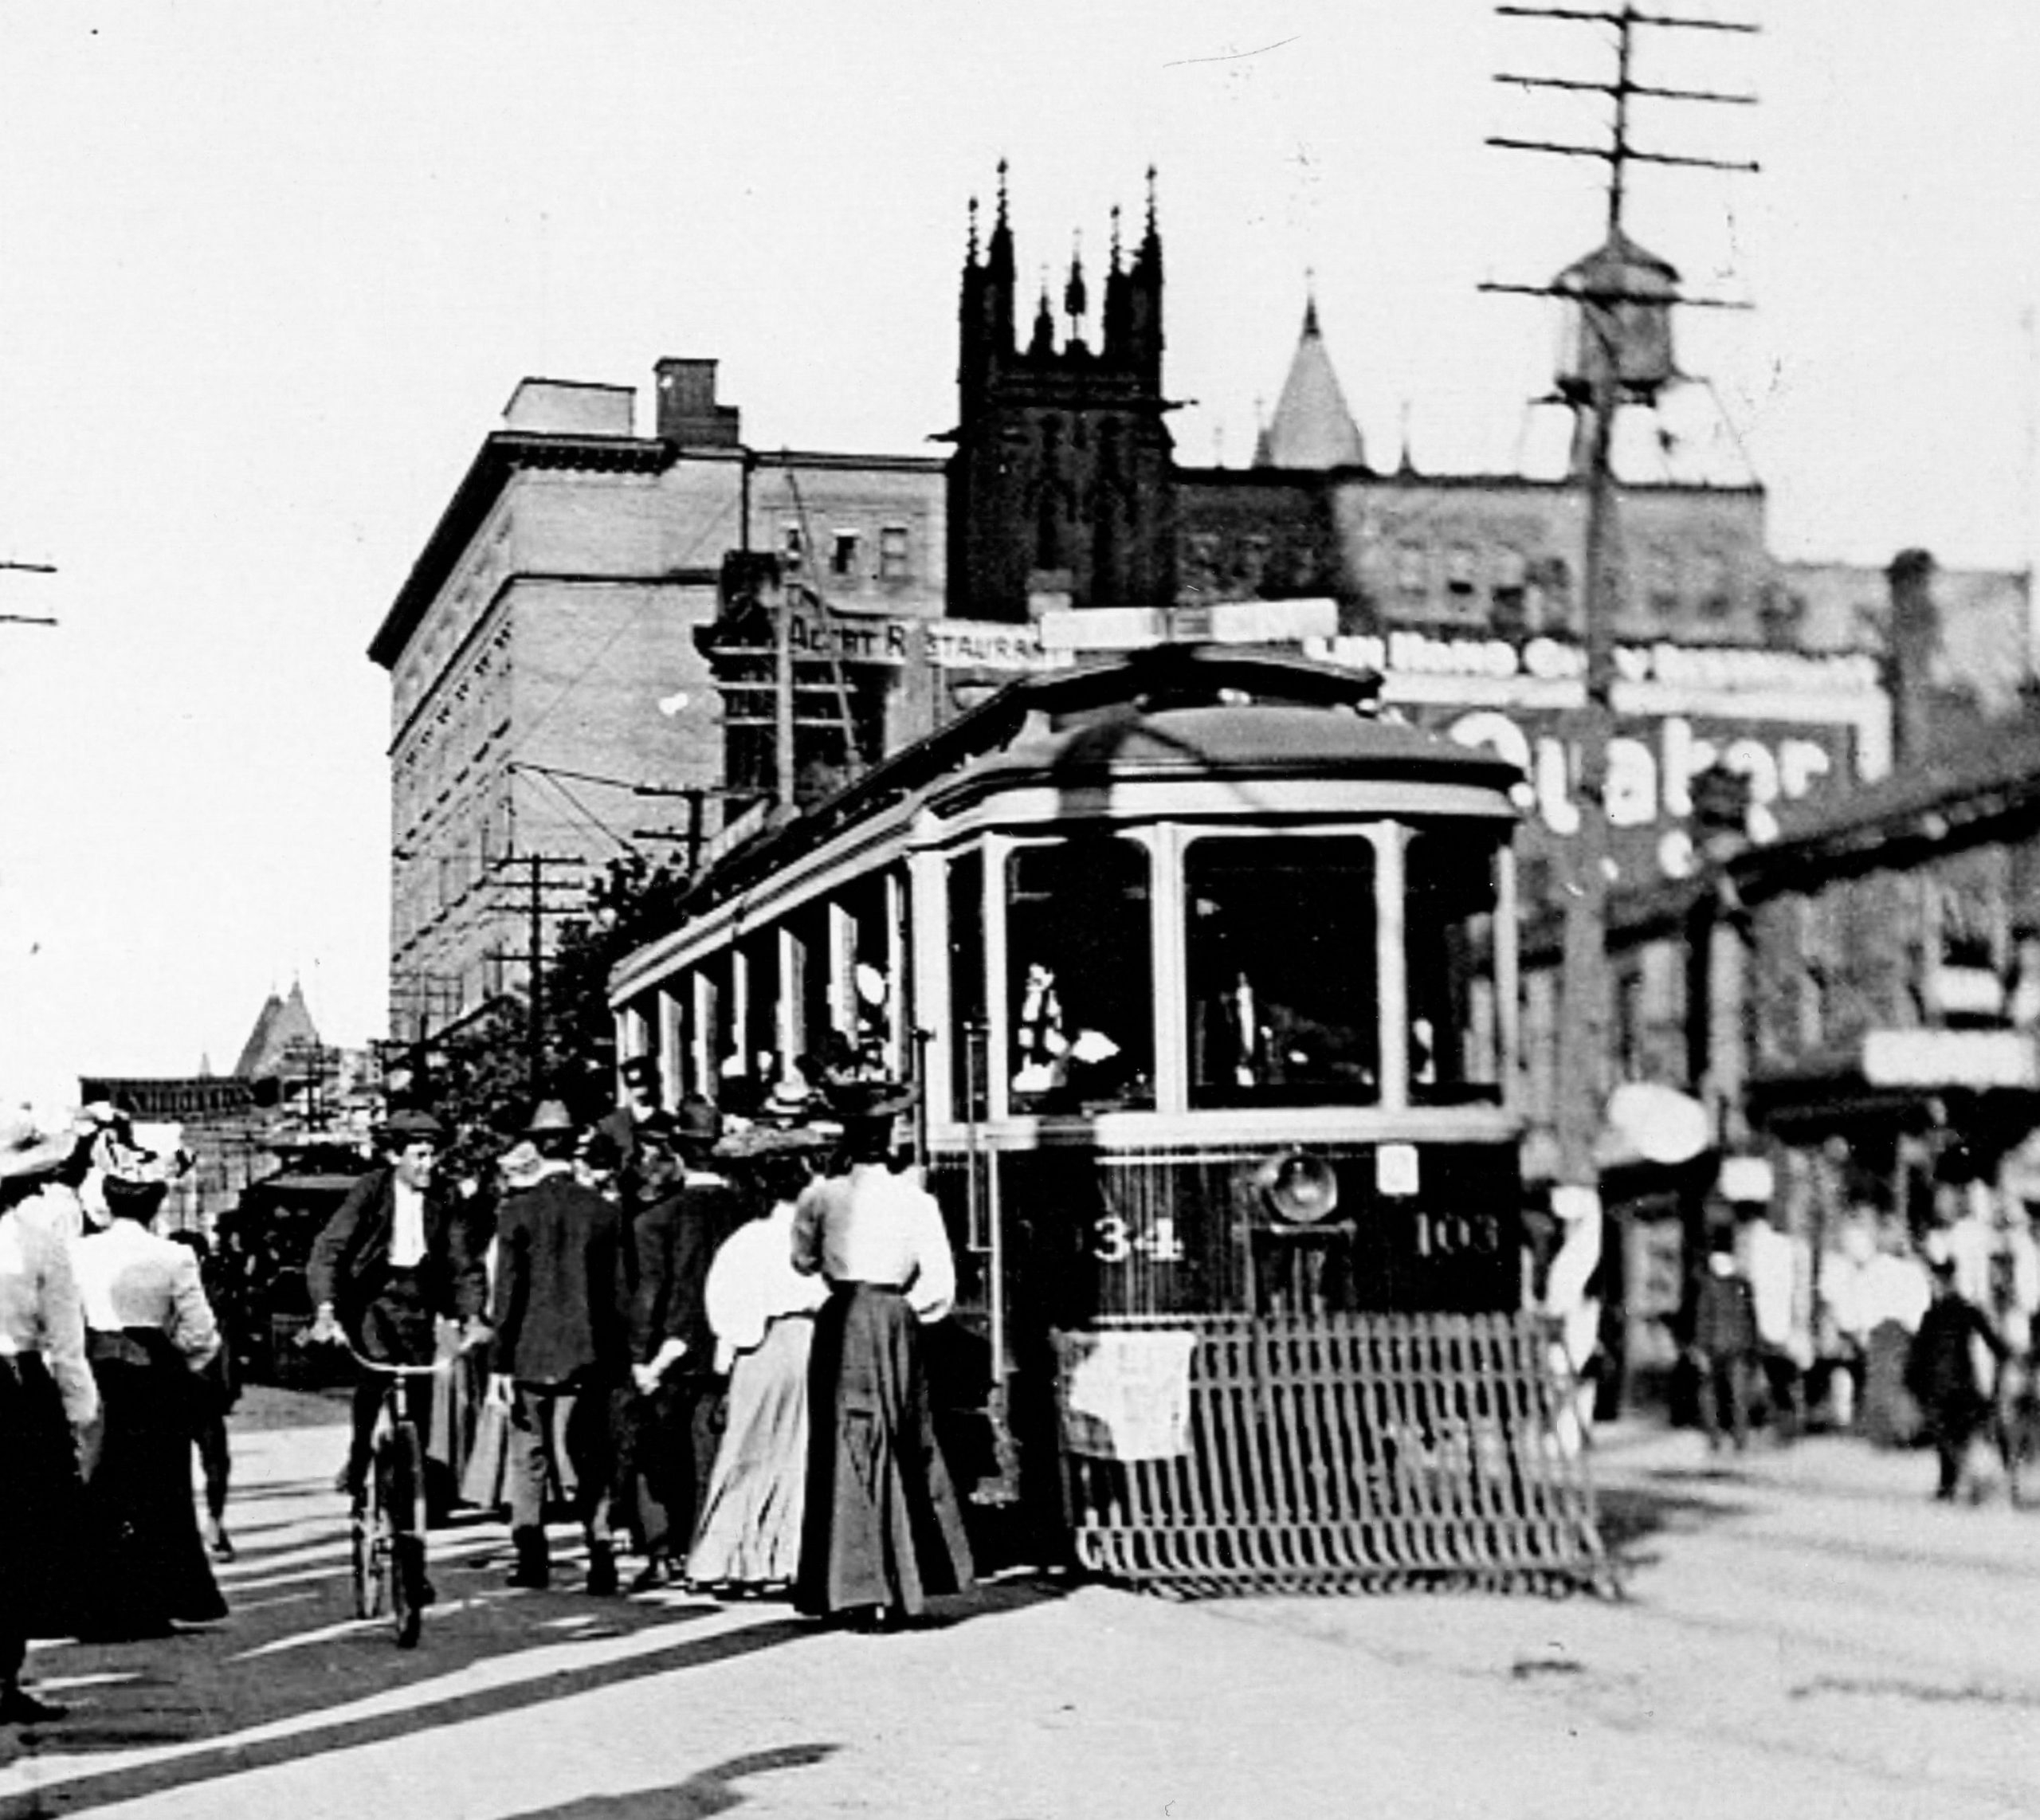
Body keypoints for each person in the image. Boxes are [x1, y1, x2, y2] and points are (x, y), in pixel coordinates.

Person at [791, 1082, 975, 1629]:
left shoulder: (820, 1197)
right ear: (889, 1138)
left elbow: (801, 1262)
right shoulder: (917, 1200)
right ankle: (902, 1583)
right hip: (895, 1319)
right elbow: (940, 1283)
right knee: (902, 1436)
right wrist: (900, 1313)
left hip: (843, 1314)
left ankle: (849, 1585)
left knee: (842, 1441)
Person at [306, 1110, 485, 1524]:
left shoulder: (445, 1196)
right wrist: (326, 1311)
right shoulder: (370, 1191)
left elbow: (463, 1262)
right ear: (395, 1156)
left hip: (419, 1301)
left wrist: (473, 1316)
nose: (428, 1165)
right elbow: (328, 1250)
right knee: (376, 1378)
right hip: (373, 1299)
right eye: (418, 1156)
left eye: (432, 1156)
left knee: (419, 1393)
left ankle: (414, 1486)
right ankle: (359, 1458)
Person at [73, 1173, 228, 1638]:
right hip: (153, 1373)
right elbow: (201, 1332)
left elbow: (61, 1316)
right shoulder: (174, 1256)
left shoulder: (79, 1252)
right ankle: (155, 1600)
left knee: (97, 1484)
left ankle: (95, 1606)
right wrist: (181, 1357)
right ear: (156, 1206)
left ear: (107, 1202)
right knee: (159, 1488)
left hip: (93, 1367)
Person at [488, 1100, 634, 1594]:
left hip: (530, 1354)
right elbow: (618, 1294)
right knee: (591, 1456)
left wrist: (498, 1363)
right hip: (588, 1355)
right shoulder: (603, 1212)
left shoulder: (515, 1211)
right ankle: (601, 1557)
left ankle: (532, 1559)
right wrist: (621, 1359)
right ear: (574, 1145)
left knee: (529, 1458)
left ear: (535, 1145)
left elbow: (505, 1295)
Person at [686, 1125, 832, 1595]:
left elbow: (726, 1310)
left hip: (761, 1348)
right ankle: (787, 1559)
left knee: (746, 1452)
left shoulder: (746, 1242)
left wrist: (727, 1362)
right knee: (800, 1454)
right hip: (811, 1342)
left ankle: (729, 1560)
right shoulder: (823, 1240)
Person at [0, 1112, 101, 1724]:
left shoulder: (37, 1241)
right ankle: (3, 1678)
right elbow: (67, 1343)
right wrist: (82, 1414)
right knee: (16, 1541)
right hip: (15, 1391)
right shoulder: (40, 1243)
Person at [622, 1100, 743, 1592]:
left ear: (679, 1155)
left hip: (673, 1351)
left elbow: (648, 1293)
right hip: (733, 1345)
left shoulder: (655, 1221)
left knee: (657, 1450)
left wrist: (638, 1356)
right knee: (714, 1449)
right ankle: (710, 1549)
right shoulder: (746, 1211)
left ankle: (663, 1552)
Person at [1906, 1254, 2011, 1502]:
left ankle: (1952, 1486)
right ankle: (1959, 1485)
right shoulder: (1963, 1310)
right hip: (1961, 1383)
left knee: (1948, 1437)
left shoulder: (1936, 1314)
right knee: (1961, 1437)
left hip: (1943, 1387)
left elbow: (1919, 1353)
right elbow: (1998, 1347)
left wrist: (1912, 1381)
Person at [168, 1230, 238, 1559]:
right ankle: (208, 1527)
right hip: (191, 1390)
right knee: (210, 1462)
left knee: (214, 1463)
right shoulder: (211, 1292)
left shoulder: (211, 1292)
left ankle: (212, 1523)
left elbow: (227, 1346)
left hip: (199, 1390)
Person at [1690, 1233, 1759, 1453]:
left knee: (1718, 1395)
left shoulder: (1711, 1285)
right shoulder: (1740, 1284)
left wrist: (1701, 1347)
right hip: (1732, 1347)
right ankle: (1733, 1439)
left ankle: (1720, 1438)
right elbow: (1749, 1319)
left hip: (1720, 1347)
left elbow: (1704, 1318)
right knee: (1733, 1395)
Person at [596, 1055, 668, 1207]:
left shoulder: (668, 1122)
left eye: (643, 1083)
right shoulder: (612, 1123)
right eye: (633, 1084)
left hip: (661, 1199)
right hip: (624, 1199)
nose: (639, 1090)